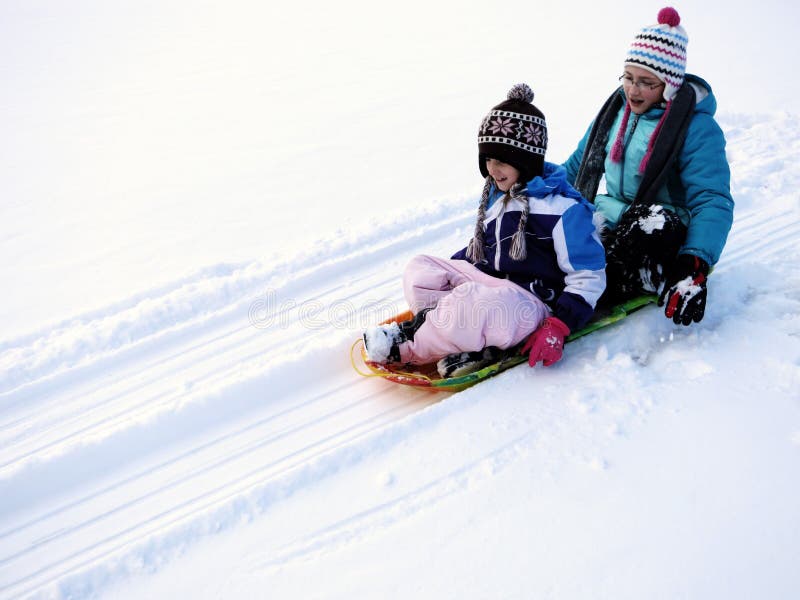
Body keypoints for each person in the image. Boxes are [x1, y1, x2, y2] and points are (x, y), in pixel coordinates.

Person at [363, 84, 606, 376]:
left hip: (533, 306)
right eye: (488, 159)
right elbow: (483, 249)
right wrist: (452, 274)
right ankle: (441, 325)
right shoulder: (499, 197)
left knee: (477, 303)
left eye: (501, 161)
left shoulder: (565, 210)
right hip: (491, 288)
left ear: (526, 160)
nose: (492, 169)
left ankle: (407, 349)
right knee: (422, 269)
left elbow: (588, 277)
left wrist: (559, 325)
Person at [562, 6, 734, 326]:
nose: (632, 90)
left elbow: (712, 199)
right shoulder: (615, 113)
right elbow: (575, 167)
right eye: (628, 78)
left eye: (646, 82)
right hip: (615, 219)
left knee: (648, 225)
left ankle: (588, 292)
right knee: (565, 224)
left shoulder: (696, 129)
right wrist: (531, 185)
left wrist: (694, 261)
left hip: (661, 232)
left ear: (668, 85)